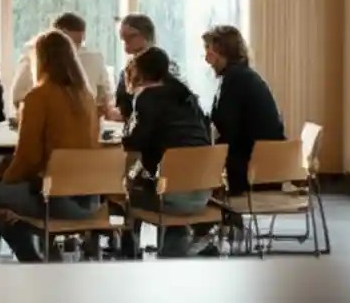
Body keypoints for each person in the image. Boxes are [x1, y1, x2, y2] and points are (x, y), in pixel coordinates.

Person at [0, 30, 99, 263]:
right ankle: (38, 265)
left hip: (53, 199)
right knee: (2, 214)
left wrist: (3, 183)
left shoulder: (39, 97)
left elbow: (28, 158)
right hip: (89, 202)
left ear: (41, 59)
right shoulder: (86, 97)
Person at [120, 46, 212, 257]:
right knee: (166, 182)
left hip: (171, 196)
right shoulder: (187, 96)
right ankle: (175, 247)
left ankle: (128, 252)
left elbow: (136, 142)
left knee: (123, 194)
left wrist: (122, 137)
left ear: (139, 73)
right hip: (202, 193)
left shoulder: (147, 97)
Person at [203, 25, 285, 194]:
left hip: (252, 170)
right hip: (270, 166)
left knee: (195, 173)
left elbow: (225, 129)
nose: (206, 59)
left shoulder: (235, 81)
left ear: (222, 52)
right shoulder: (244, 76)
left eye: (209, 51)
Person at [10, 12, 114, 117]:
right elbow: (18, 97)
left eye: (79, 43)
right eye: (70, 43)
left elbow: (105, 98)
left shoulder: (93, 59)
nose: (73, 50)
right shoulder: (33, 55)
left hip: (84, 122)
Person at [114, 14, 179, 122]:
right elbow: (123, 108)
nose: (126, 45)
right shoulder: (126, 71)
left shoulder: (166, 67)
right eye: (123, 39)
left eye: (131, 37)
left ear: (147, 35)